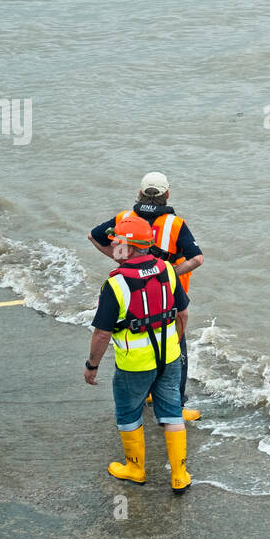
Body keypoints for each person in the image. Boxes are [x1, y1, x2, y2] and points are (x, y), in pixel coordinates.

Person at [84, 215, 192, 492]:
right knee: (171, 412)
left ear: (129, 248)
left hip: (135, 364)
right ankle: (179, 475)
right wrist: (176, 343)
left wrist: (92, 365)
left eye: (119, 241)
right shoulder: (167, 269)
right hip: (169, 357)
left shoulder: (116, 283)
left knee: (129, 413)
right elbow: (183, 313)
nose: (115, 245)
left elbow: (102, 333)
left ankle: (135, 468)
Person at [88, 172, 204, 421]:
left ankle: (148, 392)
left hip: (131, 291)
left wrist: (117, 258)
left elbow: (93, 235)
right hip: (167, 295)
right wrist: (169, 272)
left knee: (140, 336)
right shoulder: (175, 224)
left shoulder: (124, 219)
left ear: (139, 193)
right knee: (174, 347)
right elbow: (197, 258)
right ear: (167, 195)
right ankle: (177, 405)